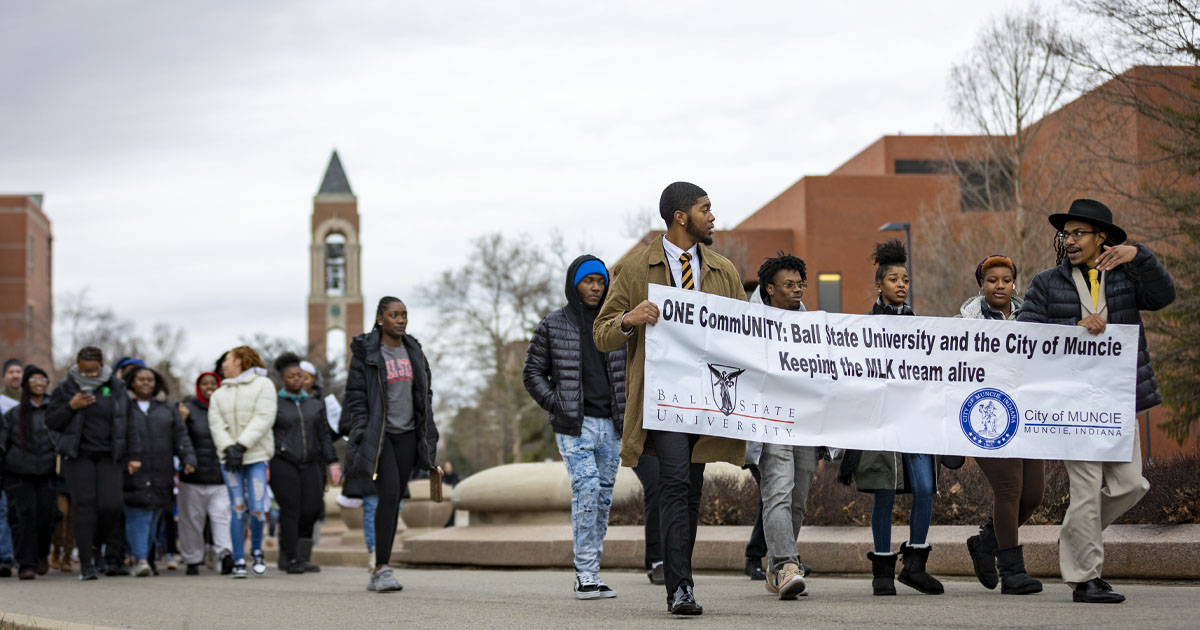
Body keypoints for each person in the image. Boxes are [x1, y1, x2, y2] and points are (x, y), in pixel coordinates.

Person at [594, 181, 747, 615]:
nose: (712, 217)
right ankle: (681, 588)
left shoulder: (723, 270)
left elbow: (748, 334)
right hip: (663, 399)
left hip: (711, 397)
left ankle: (681, 576)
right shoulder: (636, 268)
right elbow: (601, 334)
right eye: (705, 209)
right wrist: (629, 317)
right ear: (681, 216)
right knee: (674, 482)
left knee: (692, 491)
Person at [1018, 199, 1175, 604]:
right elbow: (1026, 336)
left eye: (1077, 234)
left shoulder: (1125, 277)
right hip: (1072, 402)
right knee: (1086, 491)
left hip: (1117, 400)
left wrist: (1140, 255)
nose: (1069, 241)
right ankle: (1084, 577)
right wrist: (1073, 327)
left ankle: (1074, 537)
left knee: (1131, 484)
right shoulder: (1046, 282)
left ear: (1100, 238)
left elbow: (1164, 295)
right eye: (1065, 234)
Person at [838, 240, 943, 597]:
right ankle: (882, 569)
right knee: (884, 492)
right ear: (879, 285)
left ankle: (914, 565)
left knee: (926, 488)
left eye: (906, 279)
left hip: (915, 423)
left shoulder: (922, 327)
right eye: (894, 279)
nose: (901, 285)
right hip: (880, 422)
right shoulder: (862, 327)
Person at [523, 255, 627, 600]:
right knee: (587, 491)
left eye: (600, 281)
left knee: (602, 500)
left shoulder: (615, 324)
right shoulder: (553, 324)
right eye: (588, 281)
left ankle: (592, 573)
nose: (596, 288)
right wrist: (558, 404)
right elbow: (532, 373)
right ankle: (584, 574)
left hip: (612, 426)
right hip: (575, 425)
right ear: (574, 284)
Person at [958, 255, 1044, 595]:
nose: (999, 285)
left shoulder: (1032, 318)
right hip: (985, 416)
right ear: (981, 285)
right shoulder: (965, 324)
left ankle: (985, 543)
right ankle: (1012, 571)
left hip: (1025, 416)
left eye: (1006, 279)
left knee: (1033, 495)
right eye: (992, 280)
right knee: (1009, 489)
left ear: (1014, 284)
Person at [344, 297, 439, 593]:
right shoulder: (368, 352)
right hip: (380, 435)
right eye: (394, 315)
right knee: (387, 495)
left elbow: (425, 394)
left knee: (396, 497)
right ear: (380, 318)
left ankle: (381, 565)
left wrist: (427, 437)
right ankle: (381, 568)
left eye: (404, 315)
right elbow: (356, 396)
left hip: (408, 435)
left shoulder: (413, 350)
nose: (400, 320)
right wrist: (361, 430)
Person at [750, 253, 819, 599]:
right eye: (789, 285)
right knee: (777, 489)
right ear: (769, 288)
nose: (797, 291)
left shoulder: (813, 328)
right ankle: (789, 565)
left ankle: (776, 568)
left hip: (804, 420)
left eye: (800, 284)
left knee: (799, 494)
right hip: (768, 419)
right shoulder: (745, 323)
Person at [45, 346, 142, 581]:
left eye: (93, 371)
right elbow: (51, 421)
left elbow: (129, 422)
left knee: (112, 505)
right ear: (77, 366)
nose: (88, 375)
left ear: (101, 366)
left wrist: (134, 455)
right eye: (84, 371)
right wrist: (71, 406)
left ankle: (94, 546)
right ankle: (87, 564)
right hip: (78, 456)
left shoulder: (116, 387)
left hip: (110, 455)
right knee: (84, 505)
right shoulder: (67, 387)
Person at [208, 345, 276, 578]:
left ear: (240, 360)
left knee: (257, 508)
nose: (223, 365)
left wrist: (242, 445)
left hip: (255, 456)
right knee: (237, 508)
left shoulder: (263, 385)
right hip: (231, 460)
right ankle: (238, 558)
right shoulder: (219, 394)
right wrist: (229, 449)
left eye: (227, 360)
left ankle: (256, 551)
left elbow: (264, 417)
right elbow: (216, 425)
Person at [123, 366, 196, 577]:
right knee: (139, 513)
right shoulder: (125, 407)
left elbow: (181, 437)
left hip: (161, 471)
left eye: (150, 379)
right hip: (134, 470)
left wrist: (188, 458)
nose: (146, 383)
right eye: (141, 379)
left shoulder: (167, 409)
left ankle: (145, 557)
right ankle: (140, 558)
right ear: (132, 382)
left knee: (154, 514)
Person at [271, 352, 337, 574]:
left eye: (300, 376)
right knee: (291, 509)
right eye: (291, 376)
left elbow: (325, 435)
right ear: (283, 380)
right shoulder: (275, 404)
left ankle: (303, 556)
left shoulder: (314, 405)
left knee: (311, 508)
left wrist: (333, 462)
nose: (297, 380)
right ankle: (290, 557)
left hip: (312, 463)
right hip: (284, 463)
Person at [0, 365, 57, 579]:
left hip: (47, 472)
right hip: (19, 473)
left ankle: (41, 553)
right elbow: (4, 443)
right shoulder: (14, 414)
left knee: (46, 517)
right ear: (26, 385)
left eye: (42, 379)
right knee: (23, 518)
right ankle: (26, 564)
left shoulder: (54, 411)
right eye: (33, 380)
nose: (39, 383)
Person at [178, 372, 234, 575]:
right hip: (193, 476)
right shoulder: (188, 410)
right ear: (198, 387)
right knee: (192, 520)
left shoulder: (227, 409)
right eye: (205, 383)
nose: (209, 386)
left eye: (213, 383)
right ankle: (193, 559)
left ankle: (225, 554)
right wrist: (181, 421)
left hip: (220, 476)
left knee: (222, 517)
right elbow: (180, 438)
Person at [0, 357, 22, 577]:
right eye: (11, 372)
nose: (16, 375)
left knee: (5, 511)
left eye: (19, 371)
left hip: (12, 466)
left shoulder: (29, 402)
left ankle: (6, 557)